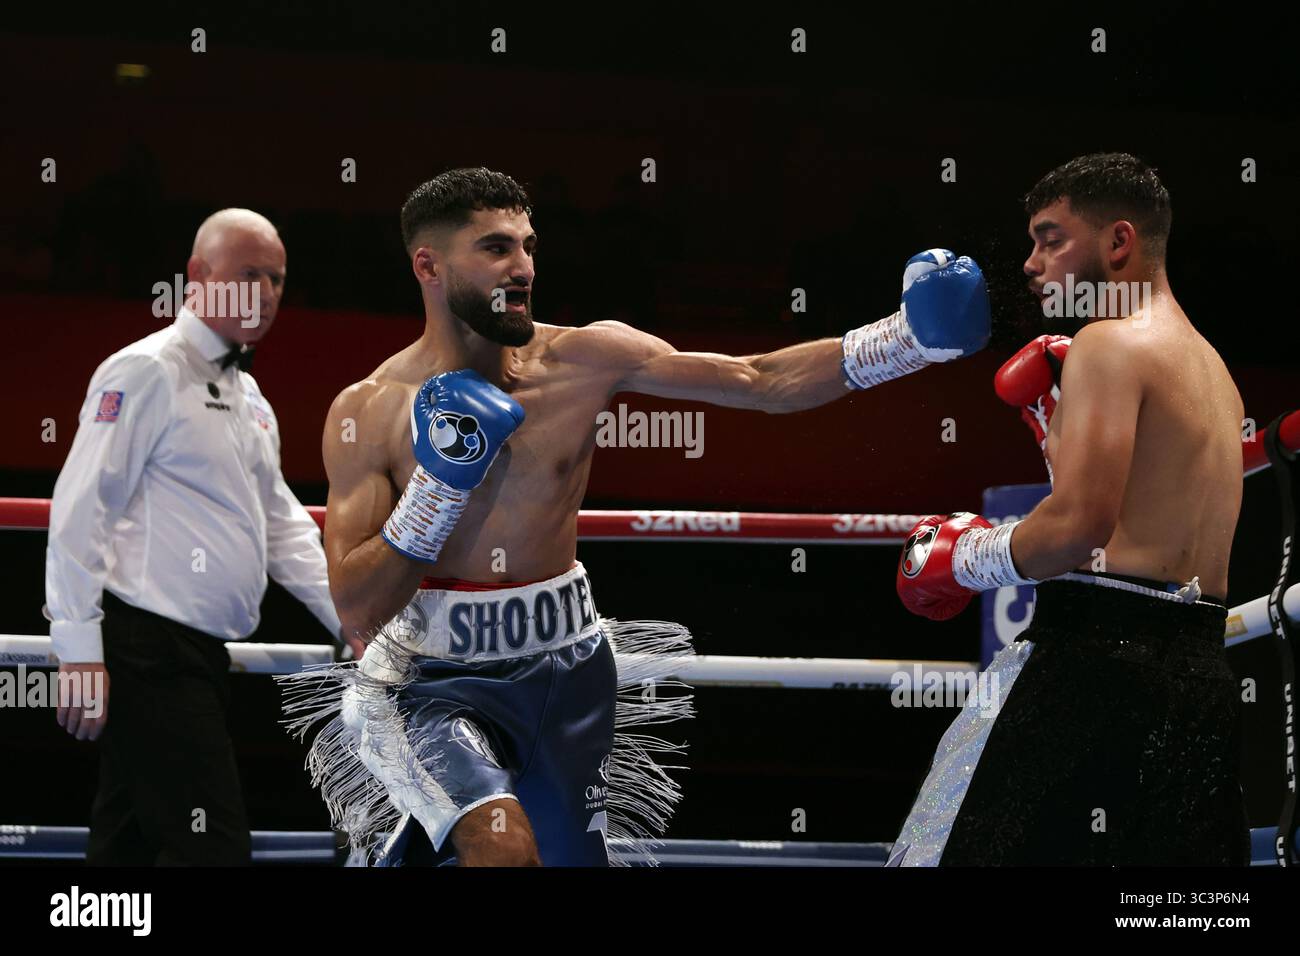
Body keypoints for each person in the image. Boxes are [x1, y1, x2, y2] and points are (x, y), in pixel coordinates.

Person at [281, 166, 992, 866]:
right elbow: (358, 605)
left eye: (529, 245)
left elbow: (760, 380)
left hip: (568, 670)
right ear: (429, 265)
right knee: (500, 851)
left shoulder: (584, 358)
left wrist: (906, 341)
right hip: (431, 681)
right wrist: (439, 487)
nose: (523, 265)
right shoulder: (369, 410)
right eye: (496, 248)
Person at [889, 153, 1250, 866]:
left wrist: (962, 556)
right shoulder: (1214, 371)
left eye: (1051, 239)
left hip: (1093, 668)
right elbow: (1135, 524)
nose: (1031, 262)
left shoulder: (1108, 343)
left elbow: (1080, 527)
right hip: (1201, 680)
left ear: (1119, 242)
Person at [45, 208, 346, 865]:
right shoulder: (146, 371)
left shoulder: (250, 396)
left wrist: (351, 614)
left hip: (196, 655)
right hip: (147, 649)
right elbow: (80, 508)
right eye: (248, 274)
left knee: (124, 844)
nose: (265, 292)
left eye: (277, 278)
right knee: (210, 848)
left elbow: (280, 525)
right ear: (198, 277)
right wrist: (77, 648)